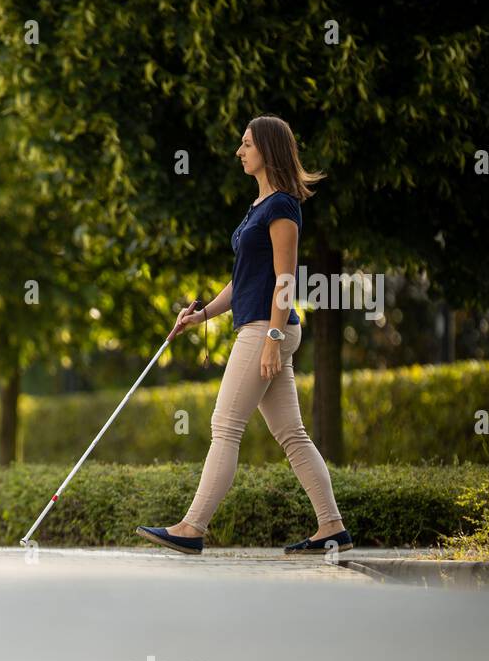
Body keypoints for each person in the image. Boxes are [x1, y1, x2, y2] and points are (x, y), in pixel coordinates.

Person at [136, 115, 352, 556]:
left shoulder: (282, 207)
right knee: (293, 434)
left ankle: (191, 528)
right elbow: (242, 281)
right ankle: (332, 528)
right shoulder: (258, 206)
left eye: (247, 144)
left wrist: (273, 336)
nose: (240, 151)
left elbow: (285, 279)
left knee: (224, 426)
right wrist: (204, 315)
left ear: (267, 150)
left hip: (265, 329)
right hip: (260, 326)